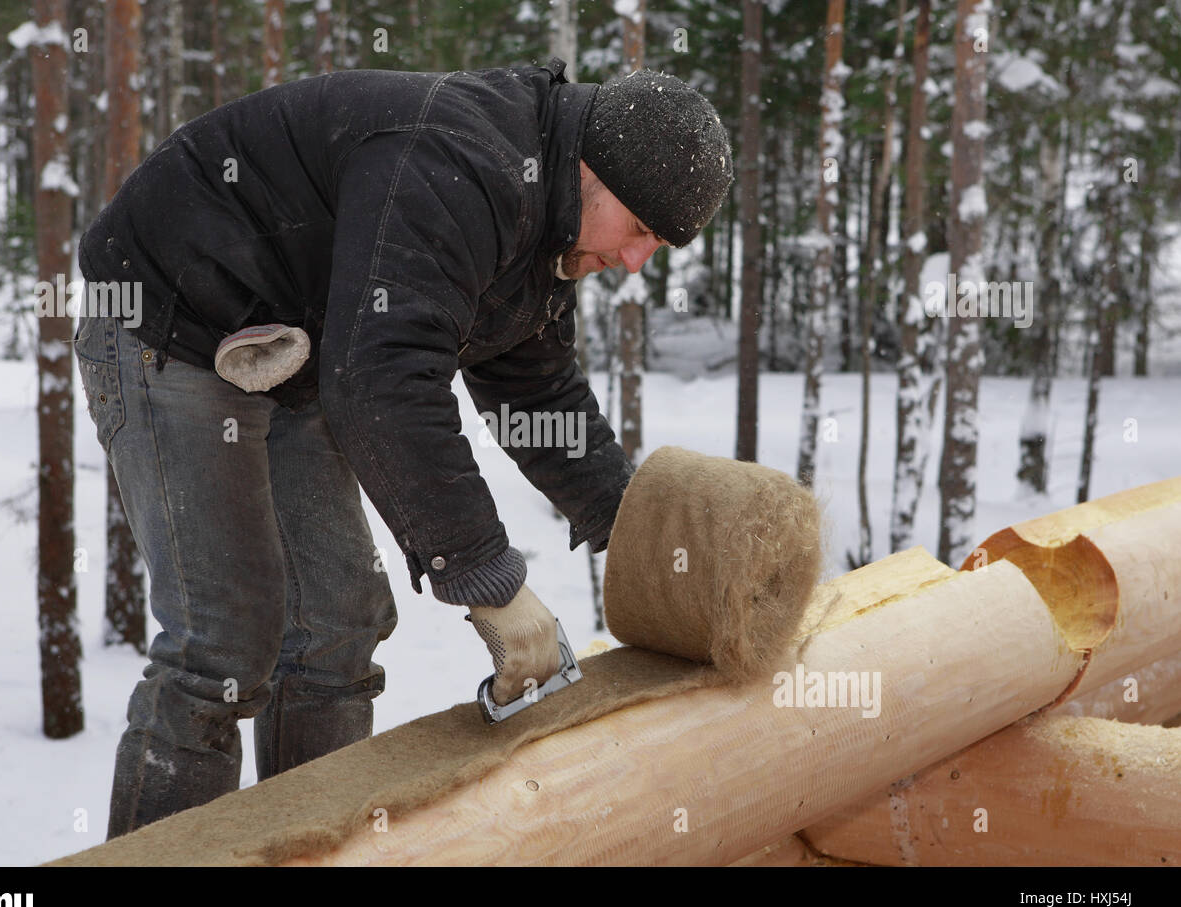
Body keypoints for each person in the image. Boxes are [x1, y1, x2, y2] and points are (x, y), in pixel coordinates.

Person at [74, 57, 733, 839]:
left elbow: (536, 393)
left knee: (339, 621)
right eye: (640, 231)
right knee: (223, 643)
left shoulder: (547, 216)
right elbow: (385, 383)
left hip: (300, 348)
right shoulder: (458, 164)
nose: (634, 262)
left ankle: (306, 852)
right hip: (168, 318)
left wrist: (640, 533)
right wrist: (489, 578)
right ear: (594, 171)